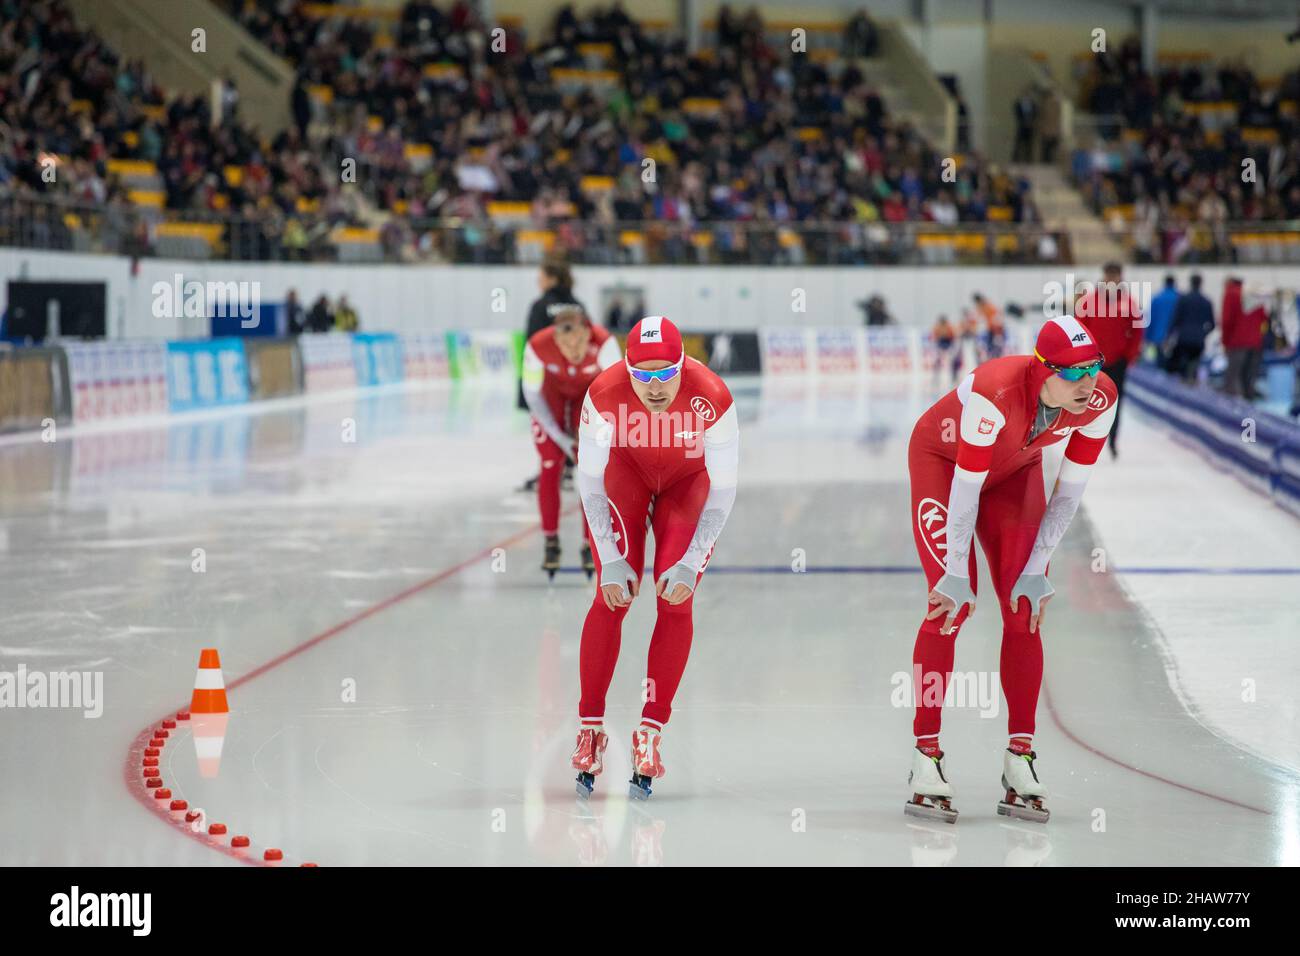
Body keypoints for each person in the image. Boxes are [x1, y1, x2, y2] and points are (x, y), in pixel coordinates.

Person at [904, 316, 1118, 824]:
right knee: (949, 607)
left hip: (1015, 475)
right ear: (1042, 369)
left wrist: (1038, 565)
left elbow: (1069, 493)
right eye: (1072, 374)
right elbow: (963, 492)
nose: (1086, 384)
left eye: (1093, 369)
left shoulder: (1101, 399)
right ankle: (924, 754)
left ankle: (1020, 755)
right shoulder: (994, 392)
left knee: (1024, 609)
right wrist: (955, 571)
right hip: (944, 463)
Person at [569, 317, 739, 801]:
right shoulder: (603, 393)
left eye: (668, 374)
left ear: (685, 364)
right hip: (626, 475)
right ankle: (590, 727)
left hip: (689, 484)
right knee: (613, 595)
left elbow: (724, 488)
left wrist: (694, 559)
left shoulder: (714, 395)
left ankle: (650, 729)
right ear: (627, 369)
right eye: (644, 376)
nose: (657, 386)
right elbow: (590, 481)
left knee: (675, 598)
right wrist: (608, 555)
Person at [520, 306, 621, 578]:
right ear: (555, 339)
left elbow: (619, 390)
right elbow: (532, 396)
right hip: (549, 401)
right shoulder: (537, 346)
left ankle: (591, 541)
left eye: (579, 340)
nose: (573, 348)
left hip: (589, 397)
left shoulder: (605, 344)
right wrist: (559, 437)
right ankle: (551, 540)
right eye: (565, 343)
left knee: (591, 468)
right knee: (550, 462)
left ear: (588, 332)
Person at [1073, 262, 1142, 458]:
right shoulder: (1089, 301)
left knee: (1115, 402)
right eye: (1109, 275)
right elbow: (1080, 328)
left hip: (1118, 361)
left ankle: (1112, 441)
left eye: (1115, 276)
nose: (1112, 280)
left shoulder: (1129, 303)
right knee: (1085, 400)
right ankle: (1083, 440)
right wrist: (1082, 356)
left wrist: (1129, 355)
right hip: (1093, 362)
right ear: (1104, 276)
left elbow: (1136, 331)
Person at [1220, 278, 1266, 400]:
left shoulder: (1230, 294)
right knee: (1249, 379)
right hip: (1255, 342)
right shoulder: (1253, 294)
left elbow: (1227, 321)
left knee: (1233, 379)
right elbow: (1263, 318)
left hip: (1237, 342)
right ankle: (1251, 413)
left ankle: (1231, 413)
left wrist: (1225, 342)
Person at [1165, 273, 1215, 381]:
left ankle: (1183, 384)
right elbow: (1212, 324)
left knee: (1182, 367)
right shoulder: (1206, 302)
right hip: (1198, 340)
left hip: (1183, 338)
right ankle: (1191, 381)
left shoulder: (1183, 299)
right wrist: (1203, 333)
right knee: (1193, 366)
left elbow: (1175, 320)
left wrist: (1168, 336)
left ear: (1191, 283)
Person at [1146, 275, 1180, 367]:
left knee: (1159, 365)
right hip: (1175, 337)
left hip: (1159, 336)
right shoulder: (1179, 298)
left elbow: (1150, 318)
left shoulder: (1157, 298)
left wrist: (1147, 337)